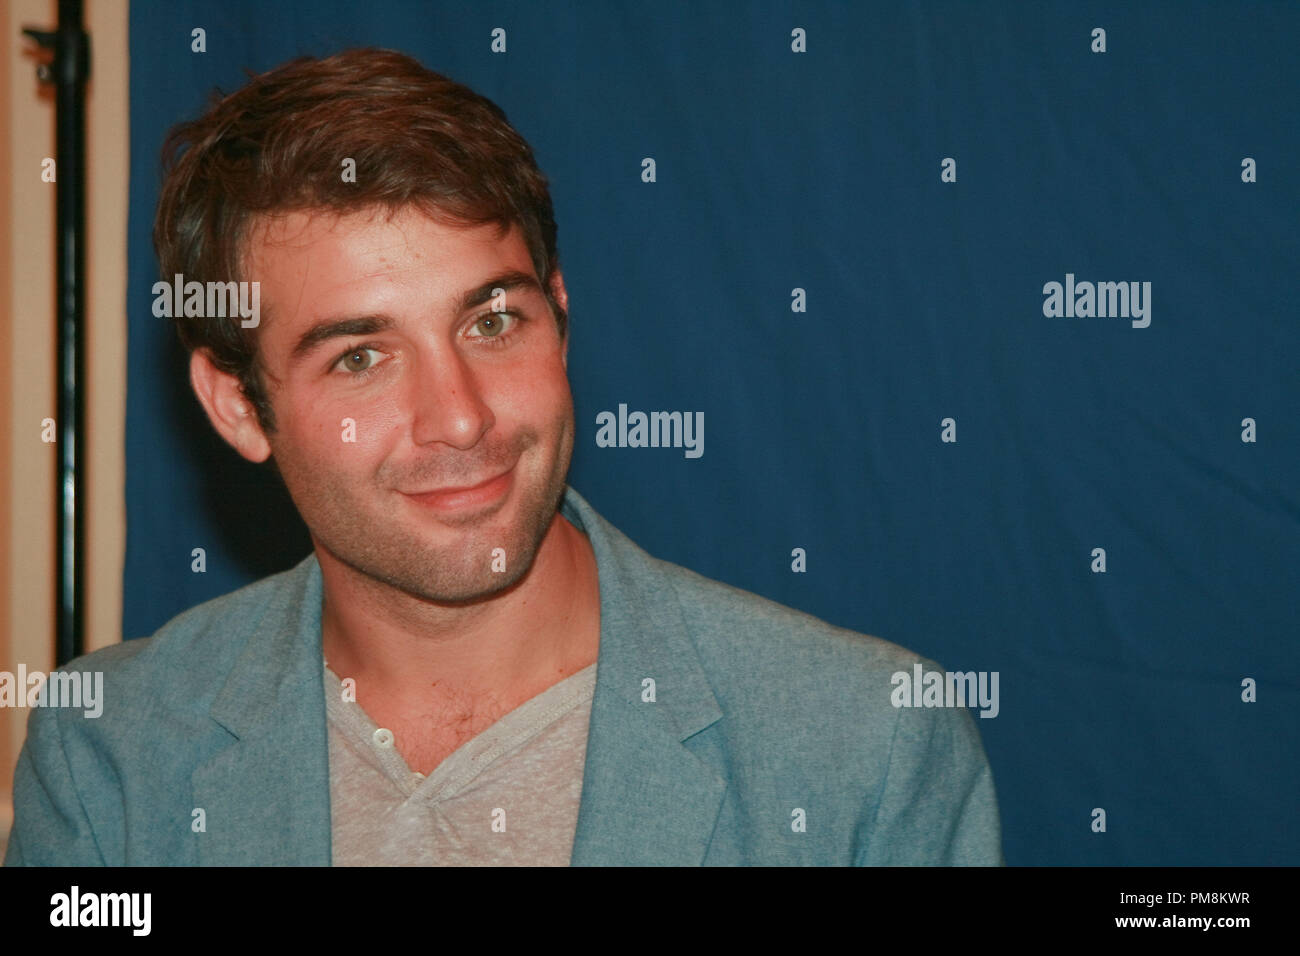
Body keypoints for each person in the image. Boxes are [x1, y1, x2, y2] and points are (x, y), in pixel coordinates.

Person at [5, 48, 1002, 866]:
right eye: (360, 355)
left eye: (491, 321)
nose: (459, 418)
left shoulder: (864, 746)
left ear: (559, 316)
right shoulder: (115, 758)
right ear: (236, 404)